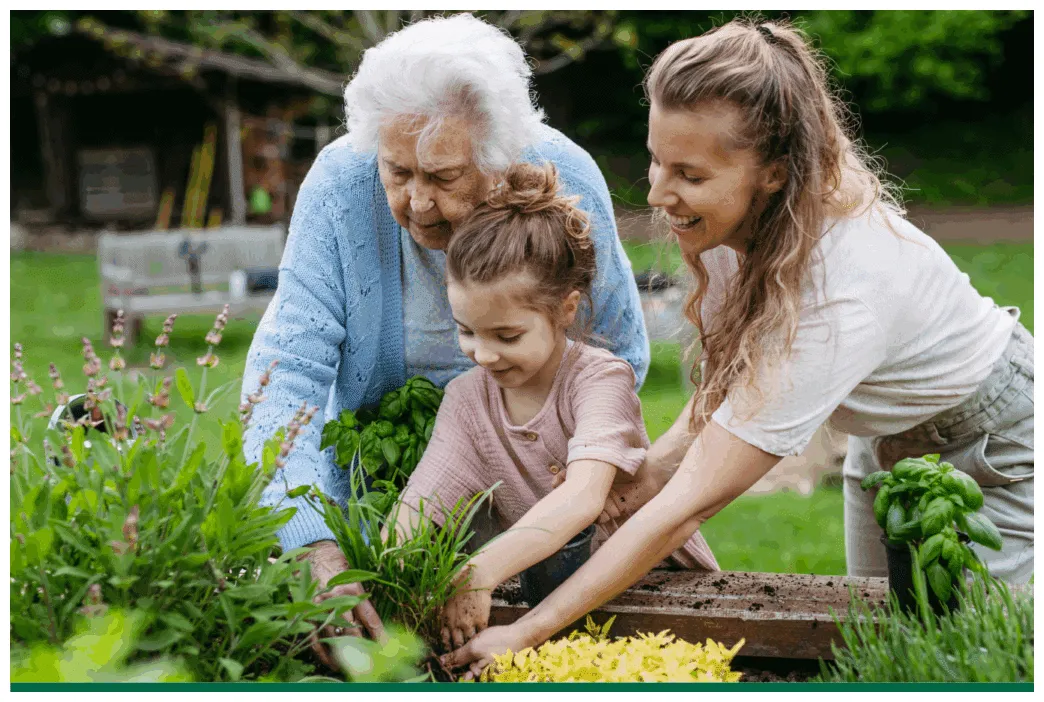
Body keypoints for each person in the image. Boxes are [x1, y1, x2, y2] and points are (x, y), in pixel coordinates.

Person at [441, 18, 1034, 678]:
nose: (660, 194)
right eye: (657, 160)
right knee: (889, 660)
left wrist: (529, 629)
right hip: (887, 442)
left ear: (774, 173)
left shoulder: (839, 291)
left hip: (996, 449)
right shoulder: (739, 232)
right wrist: (652, 468)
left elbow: (687, 508)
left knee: (994, 665)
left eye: (689, 174)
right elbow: (726, 394)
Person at [239, 13, 651, 647]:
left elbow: (615, 348)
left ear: (497, 157)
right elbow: (284, 370)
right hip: (387, 502)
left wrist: (577, 471)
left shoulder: (560, 176)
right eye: (398, 172)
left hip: (553, 518)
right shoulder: (341, 184)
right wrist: (312, 543)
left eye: (443, 176)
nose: (418, 203)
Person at [380, 162, 718, 650]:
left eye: (508, 335)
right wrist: (372, 576)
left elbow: (582, 499)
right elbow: (418, 510)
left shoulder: (600, 381)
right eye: (467, 331)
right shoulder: (467, 401)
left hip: (658, 595)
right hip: (553, 603)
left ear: (565, 309)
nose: (484, 354)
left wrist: (479, 571)